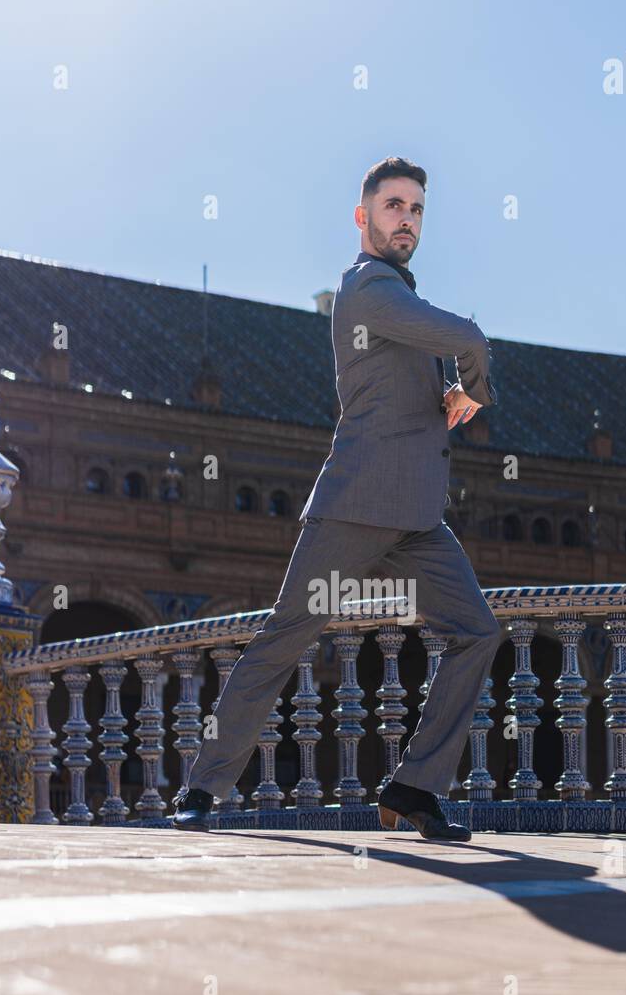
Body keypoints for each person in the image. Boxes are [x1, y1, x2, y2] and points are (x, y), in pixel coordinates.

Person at [173, 156, 501, 841]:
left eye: (415, 209)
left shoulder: (398, 300)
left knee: (478, 630)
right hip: (354, 508)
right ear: (364, 217)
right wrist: (470, 386)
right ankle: (203, 788)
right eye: (393, 207)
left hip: (415, 519)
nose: (406, 219)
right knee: (283, 641)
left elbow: (408, 383)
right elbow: (467, 336)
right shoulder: (366, 288)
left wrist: (441, 400)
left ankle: (413, 787)